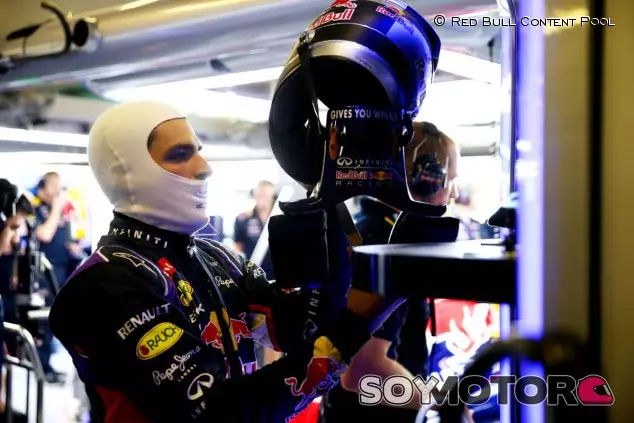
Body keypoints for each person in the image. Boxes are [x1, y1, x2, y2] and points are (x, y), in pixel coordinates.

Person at [48, 100, 405, 423]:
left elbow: (299, 330)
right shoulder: (103, 284)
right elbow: (219, 412)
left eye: (199, 151)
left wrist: (328, 201)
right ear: (125, 170)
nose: (204, 168)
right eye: (180, 154)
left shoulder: (215, 256)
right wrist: (357, 321)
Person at [321, 121, 466, 423]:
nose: (453, 190)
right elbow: (364, 370)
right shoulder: (389, 243)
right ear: (428, 177)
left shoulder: (373, 227)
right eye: (450, 178)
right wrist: (438, 405)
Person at [233, 180, 277, 279]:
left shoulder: (281, 218)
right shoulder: (243, 219)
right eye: (259, 195)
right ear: (254, 195)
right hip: (253, 272)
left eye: (265, 195)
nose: (262, 199)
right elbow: (238, 248)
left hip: (278, 271)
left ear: (273, 196)